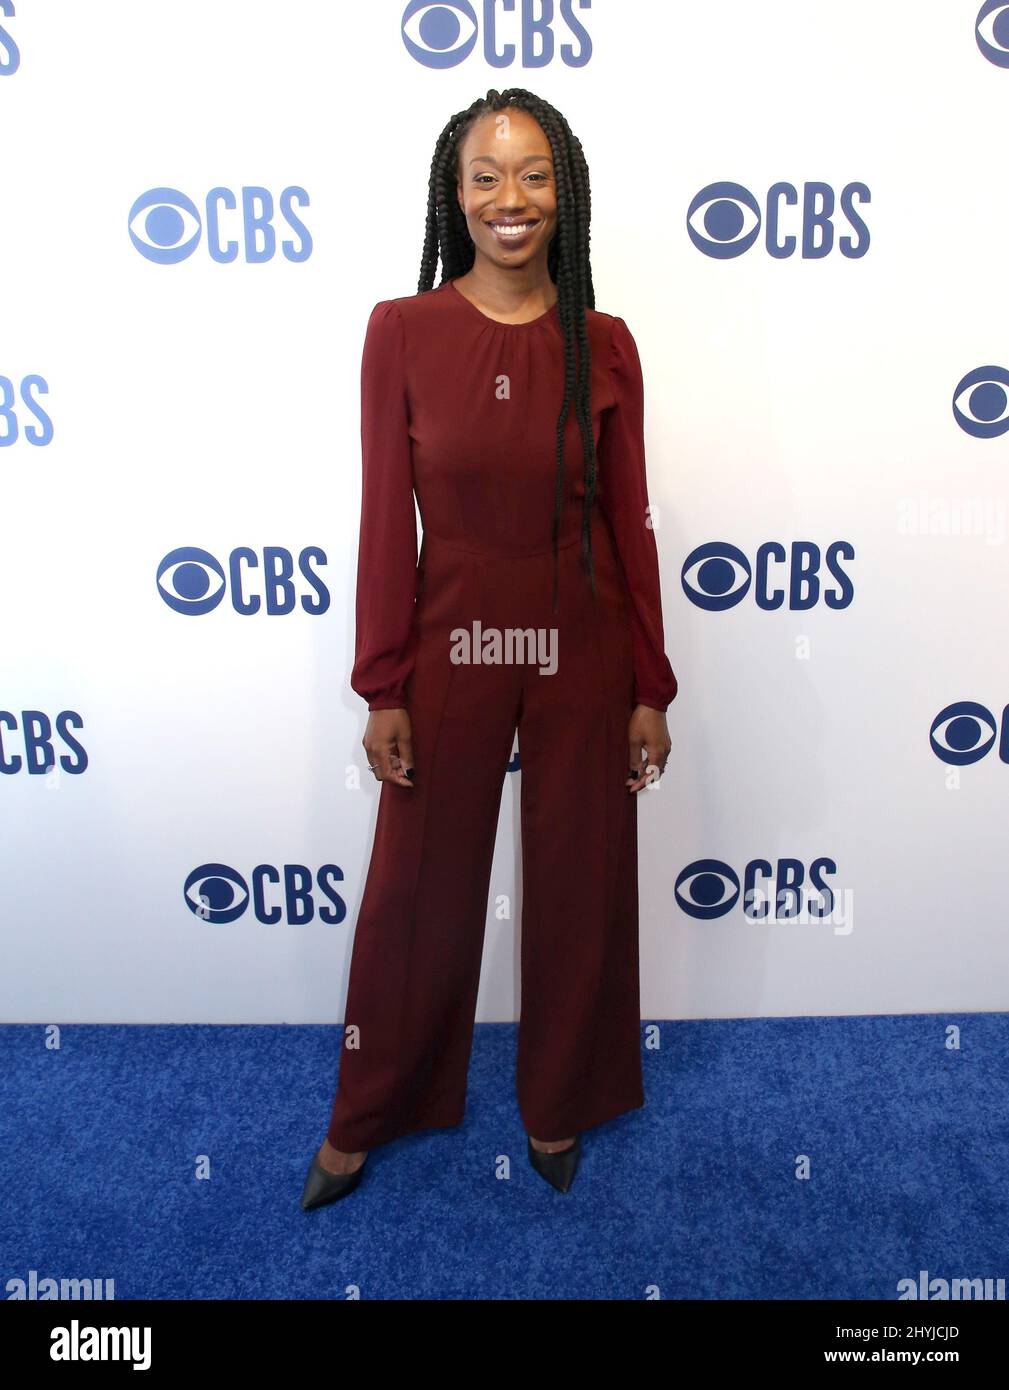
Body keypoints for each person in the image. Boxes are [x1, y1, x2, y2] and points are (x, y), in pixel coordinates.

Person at [301, 87, 677, 1210]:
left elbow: (631, 519)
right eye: (485, 176)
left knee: (580, 880)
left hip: (584, 639)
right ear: (452, 193)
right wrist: (382, 684)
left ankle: (560, 1102)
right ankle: (370, 1110)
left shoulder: (603, 343)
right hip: (451, 640)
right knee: (416, 888)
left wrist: (649, 687)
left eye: (533, 175)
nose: (509, 199)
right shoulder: (402, 332)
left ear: (564, 193)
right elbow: (384, 520)